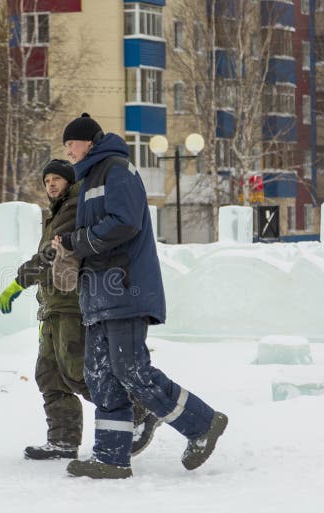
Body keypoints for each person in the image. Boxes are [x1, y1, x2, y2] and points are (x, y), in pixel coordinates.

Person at [52, 113, 228, 479]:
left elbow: (126, 221)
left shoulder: (117, 170)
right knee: (100, 375)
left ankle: (203, 424)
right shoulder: (88, 180)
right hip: (99, 295)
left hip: (125, 289)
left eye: (72, 142)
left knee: (130, 369)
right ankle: (111, 457)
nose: (67, 149)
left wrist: (78, 241)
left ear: (89, 142)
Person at [0, 159, 158, 460]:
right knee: (49, 375)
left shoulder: (72, 209)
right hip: (53, 307)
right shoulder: (55, 213)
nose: (51, 185)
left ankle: (139, 412)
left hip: (71, 305)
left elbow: (50, 255)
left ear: (69, 183)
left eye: (57, 179)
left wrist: (19, 282)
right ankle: (62, 440)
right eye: (47, 181)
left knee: (78, 374)